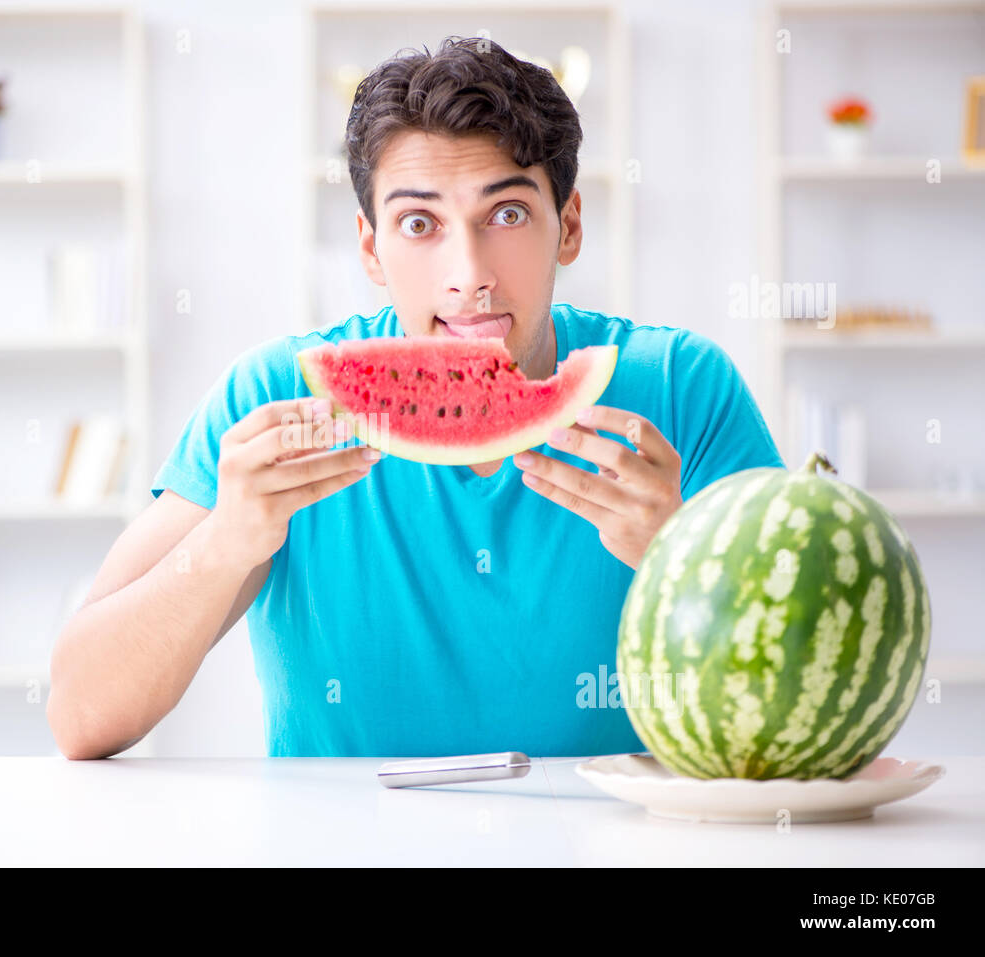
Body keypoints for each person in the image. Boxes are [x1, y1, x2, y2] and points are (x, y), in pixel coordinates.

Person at [47, 36, 784, 760]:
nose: (468, 274)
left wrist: (685, 560)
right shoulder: (277, 399)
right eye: (420, 223)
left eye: (506, 215)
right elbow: (80, 717)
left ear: (570, 226)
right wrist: (221, 545)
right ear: (370, 247)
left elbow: (800, 697)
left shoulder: (683, 388)